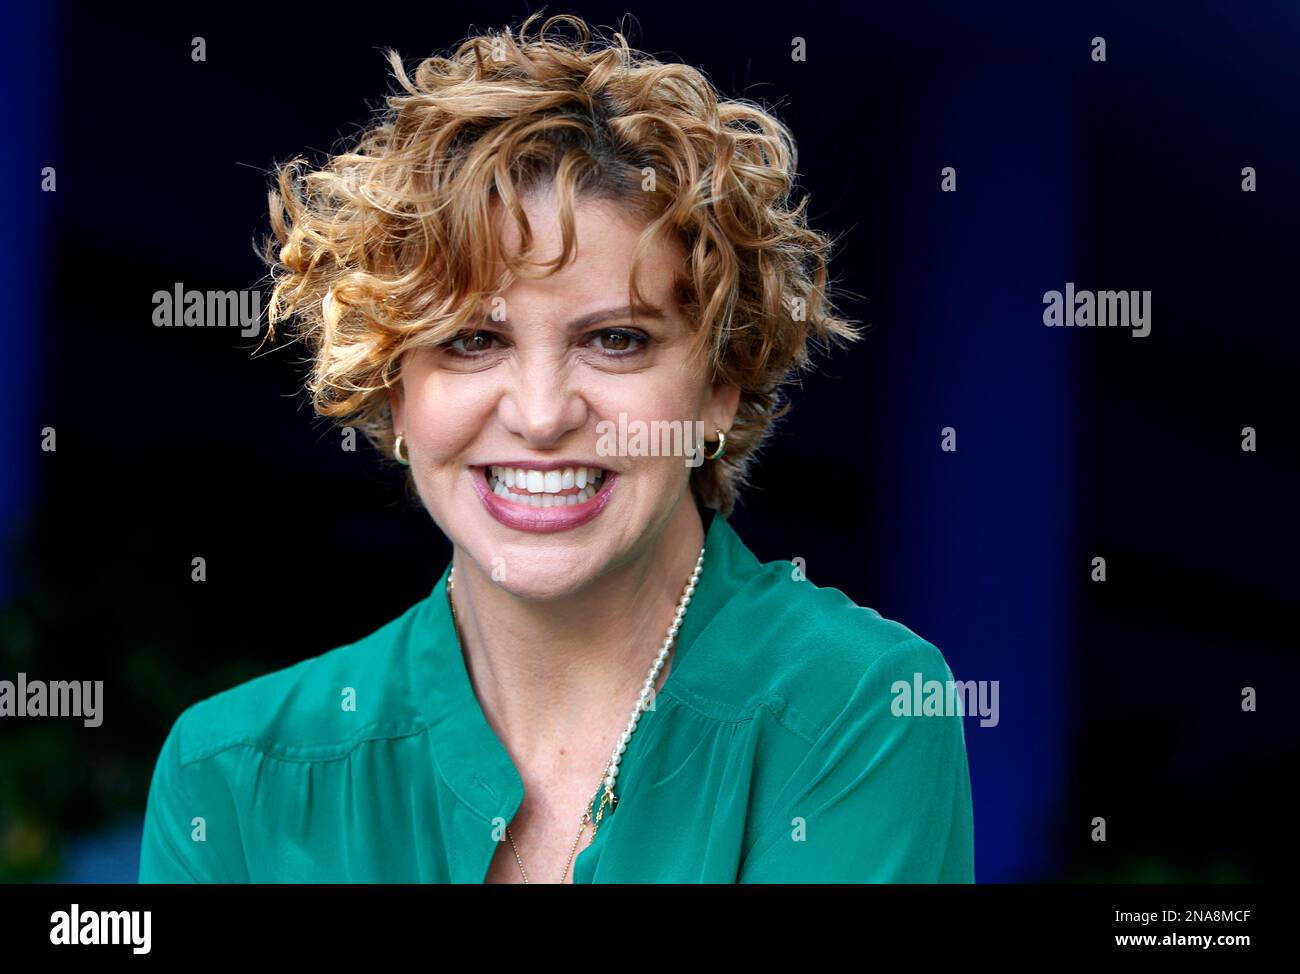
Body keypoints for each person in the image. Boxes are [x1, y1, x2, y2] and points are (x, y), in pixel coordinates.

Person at [138, 12, 974, 883]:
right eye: (470, 341)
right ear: (394, 387)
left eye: (615, 339)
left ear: (723, 380)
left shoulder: (858, 707)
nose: (541, 416)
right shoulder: (231, 777)